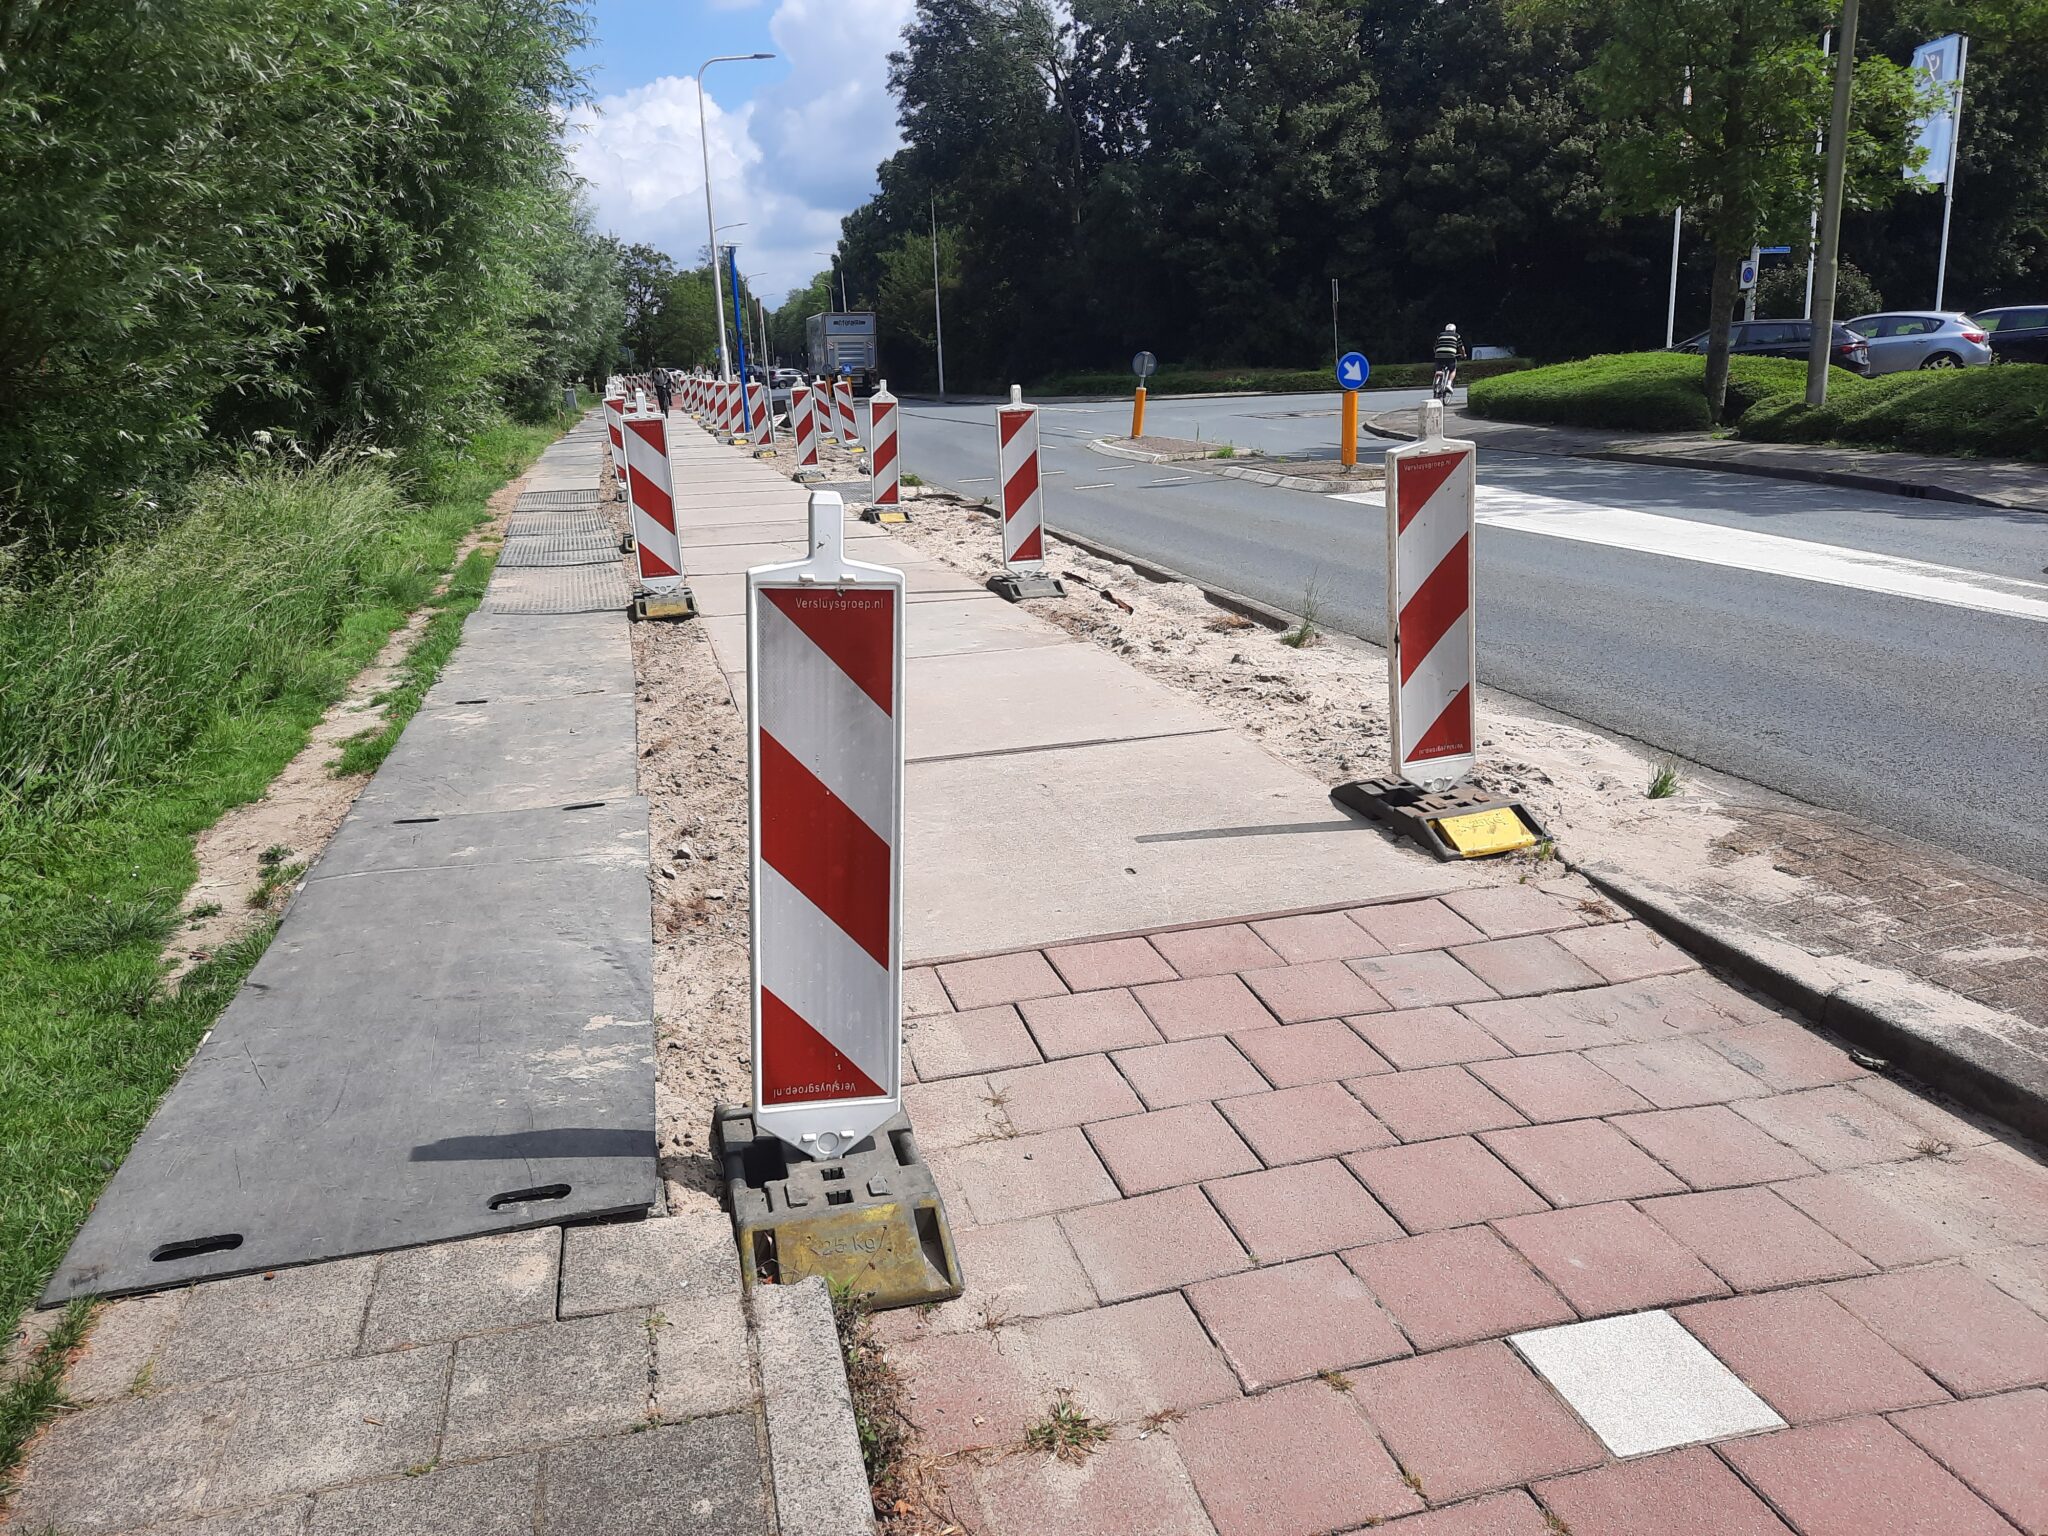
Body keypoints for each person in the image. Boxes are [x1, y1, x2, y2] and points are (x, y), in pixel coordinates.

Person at [1432, 323, 1465, 397]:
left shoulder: (1440, 335)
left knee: (1438, 368)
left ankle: (1437, 381)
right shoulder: (1456, 335)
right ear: (1454, 330)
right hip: (1450, 355)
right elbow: (1461, 347)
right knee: (1453, 369)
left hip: (1438, 355)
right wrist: (1463, 355)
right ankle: (1449, 384)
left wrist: (1436, 353)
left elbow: (1435, 346)